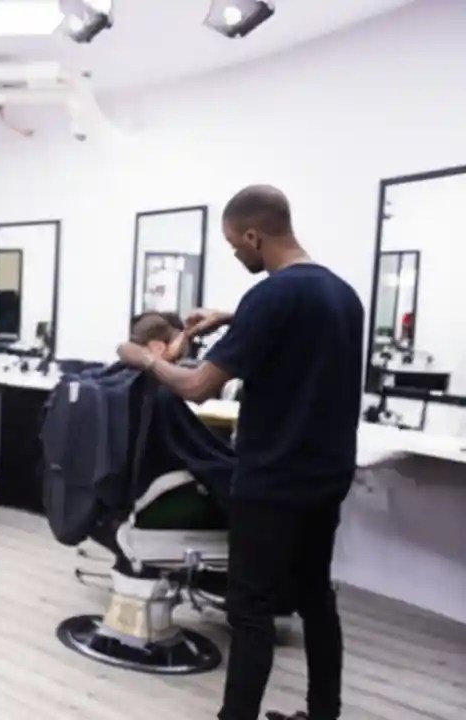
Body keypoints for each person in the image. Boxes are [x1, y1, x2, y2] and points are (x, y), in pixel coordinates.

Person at [116, 185, 363, 720]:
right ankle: (324, 713)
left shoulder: (269, 298)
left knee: (249, 610)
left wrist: (145, 360)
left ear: (254, 235)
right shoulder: (342, 294)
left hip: (272, 478)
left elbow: (198, 386)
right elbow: (301, 333)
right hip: (327, 475)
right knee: (316, 597)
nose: (235, 253)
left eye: (235, 244)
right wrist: (232, 319)